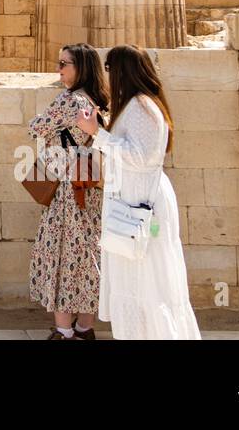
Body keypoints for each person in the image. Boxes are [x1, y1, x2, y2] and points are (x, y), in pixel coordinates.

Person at [76, 44, 200, 340]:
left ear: (121, 71)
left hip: (139, 204)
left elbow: (142, 156)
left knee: (146, 281)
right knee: (133, 280)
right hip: (130, 201)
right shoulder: (135, 106)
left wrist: (98, 134)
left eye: (109, 70)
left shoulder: (143, 106)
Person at [28, 43, 108, 340]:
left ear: (81, 67)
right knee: (88, 258)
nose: (59, 69)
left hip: (64, 191)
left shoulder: (68, 100)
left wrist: (42, 123)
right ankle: (84, 329)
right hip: (91, 187)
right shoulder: (98, 100)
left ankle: (63, 332)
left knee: (59, 254)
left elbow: (35, 127)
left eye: (64, 64)